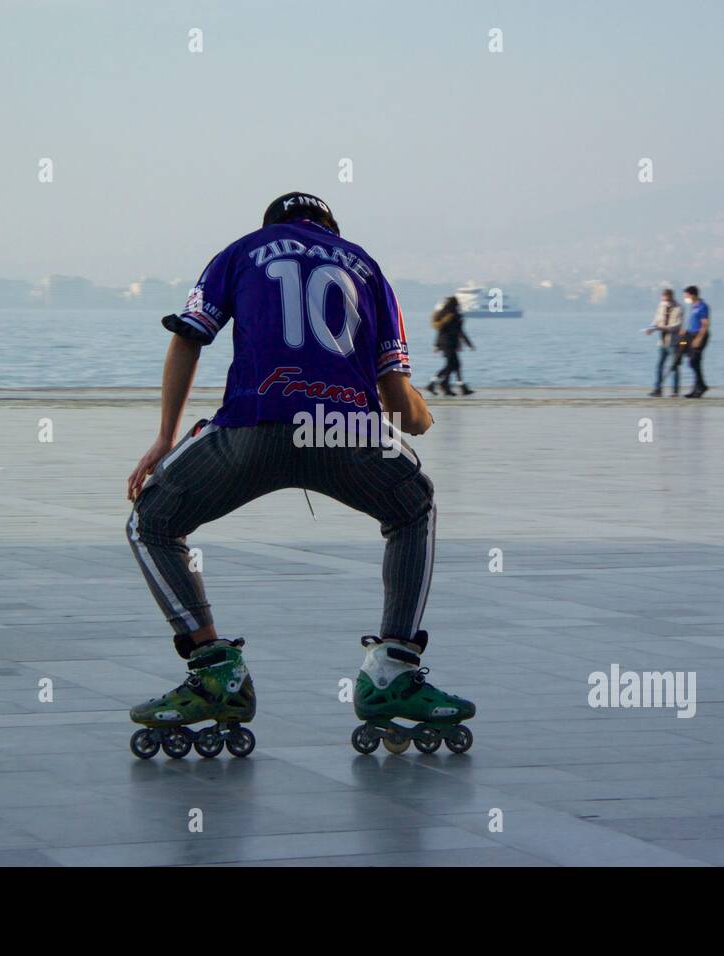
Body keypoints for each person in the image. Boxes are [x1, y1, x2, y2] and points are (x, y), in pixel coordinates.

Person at [124, 192, 475, 760]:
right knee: (413, 510)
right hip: (345, 433)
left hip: (253, 428)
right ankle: (393, 670)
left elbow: (188, 335)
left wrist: (165, 439)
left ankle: (214, 670)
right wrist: (420, 413)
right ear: (330, 229)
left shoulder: (240, 252)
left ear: (273, 225)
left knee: (153, 524)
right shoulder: (365, 266)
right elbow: (396, 394)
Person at [426, 295, 475, 396]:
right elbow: (459, 331)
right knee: (452, 365)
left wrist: (437, 345)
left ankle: (447, 385)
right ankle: (437, 384)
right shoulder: (453, 315)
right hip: (449, 344)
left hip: (446, 343)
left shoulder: (445, 314)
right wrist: (468, 343)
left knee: (454, 365)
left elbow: (441, 331)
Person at [646, 288, 683, 397]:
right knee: (659, 365)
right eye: (663, 297)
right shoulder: (661, 306)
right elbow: (656, 320)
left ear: (671, 296)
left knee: (674, 366)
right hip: (662, 342)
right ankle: (658, 389)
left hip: (673, 341)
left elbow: (677, 325)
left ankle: (675, 391)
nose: (664, 300)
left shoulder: (678, 308)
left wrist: (665, 328)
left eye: (666, 297)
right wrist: (651, 328)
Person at [681, 285, 711, 398]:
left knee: (694, 361)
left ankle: (700, 387)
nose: (685, 297)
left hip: (700, 336)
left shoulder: (703, 306)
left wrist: (699, 338)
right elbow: (693, 322)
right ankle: (699, 387)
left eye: (686, 295)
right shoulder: (693, 306)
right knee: (693, 362)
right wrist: (685, 331)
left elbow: (705, 325)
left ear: (692, 295)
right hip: (690, 336)